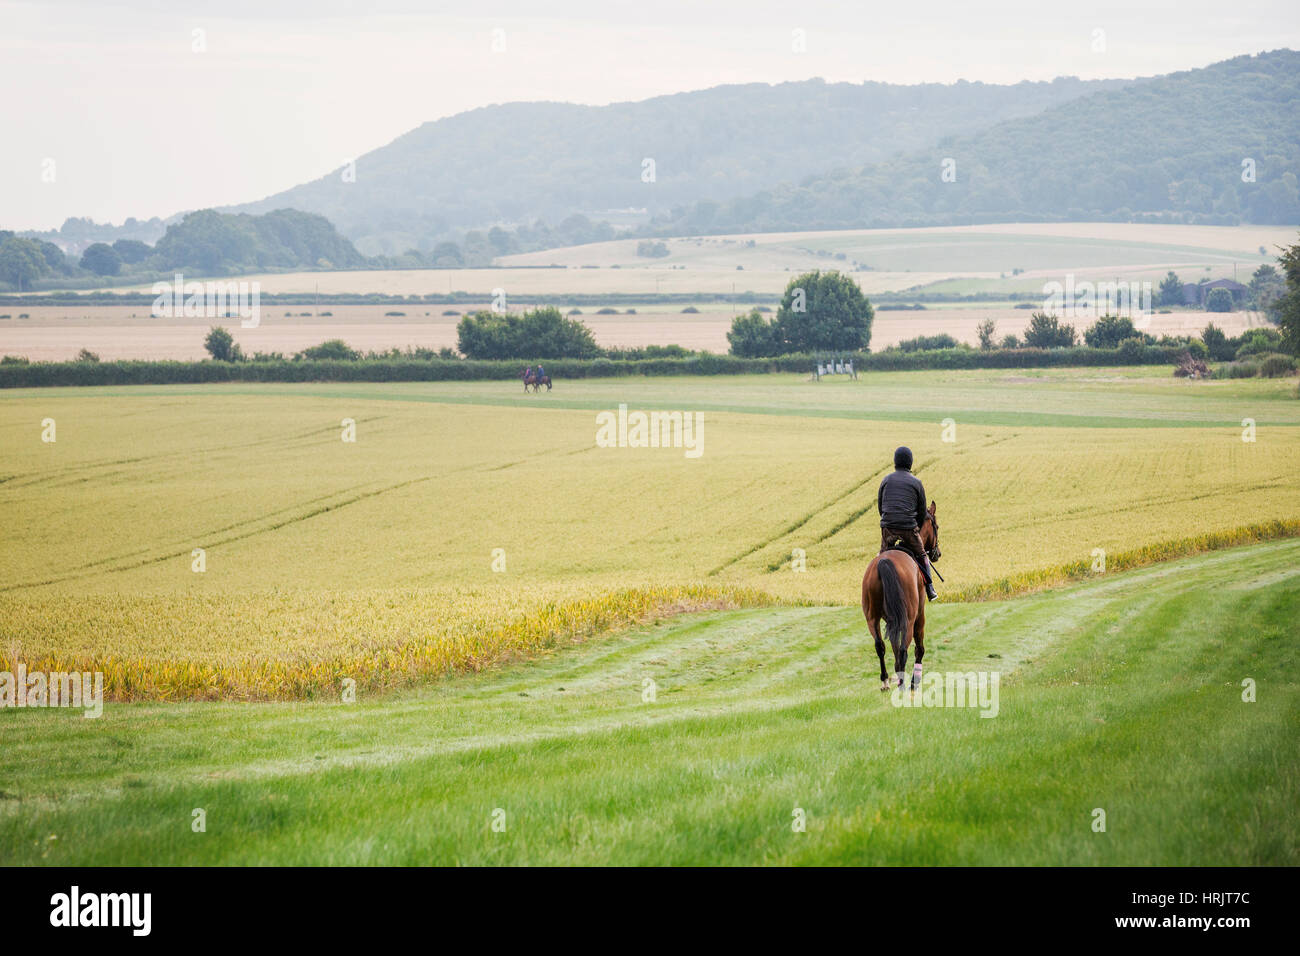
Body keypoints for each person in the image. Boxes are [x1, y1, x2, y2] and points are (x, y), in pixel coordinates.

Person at [877, 445, 937, 600]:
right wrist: (914, 527)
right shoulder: (916, 483)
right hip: (908, 529)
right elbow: (922, 511)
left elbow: (880, 506)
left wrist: (887, 523)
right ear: (910, 463)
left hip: (887, 529)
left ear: (895, 462)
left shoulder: (886, 480)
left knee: (880, 556)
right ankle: (930, 589)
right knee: (923, 555)